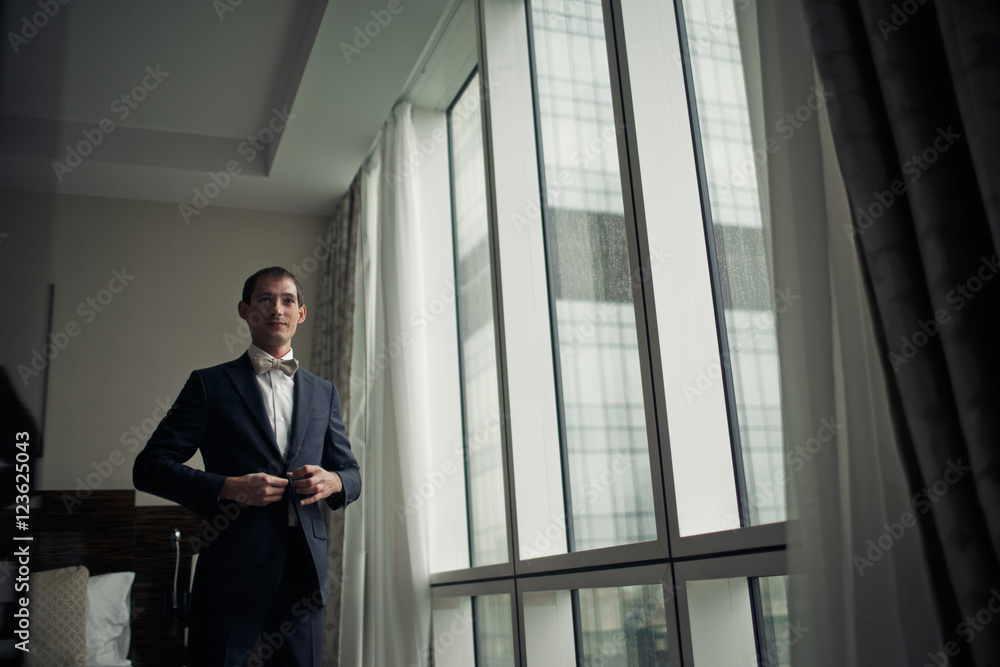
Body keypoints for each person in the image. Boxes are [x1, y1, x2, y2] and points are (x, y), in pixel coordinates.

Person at [133, 267, 360, 667]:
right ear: (245, 310)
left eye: (288, 300)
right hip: (231, 568)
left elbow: (352, 475)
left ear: (301, 313)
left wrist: (333, 480)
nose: (277, 308)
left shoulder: (325, 392)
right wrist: (230, 487)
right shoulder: (208, 385)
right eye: (265, 299)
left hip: (303, 572)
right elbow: (149, 467)